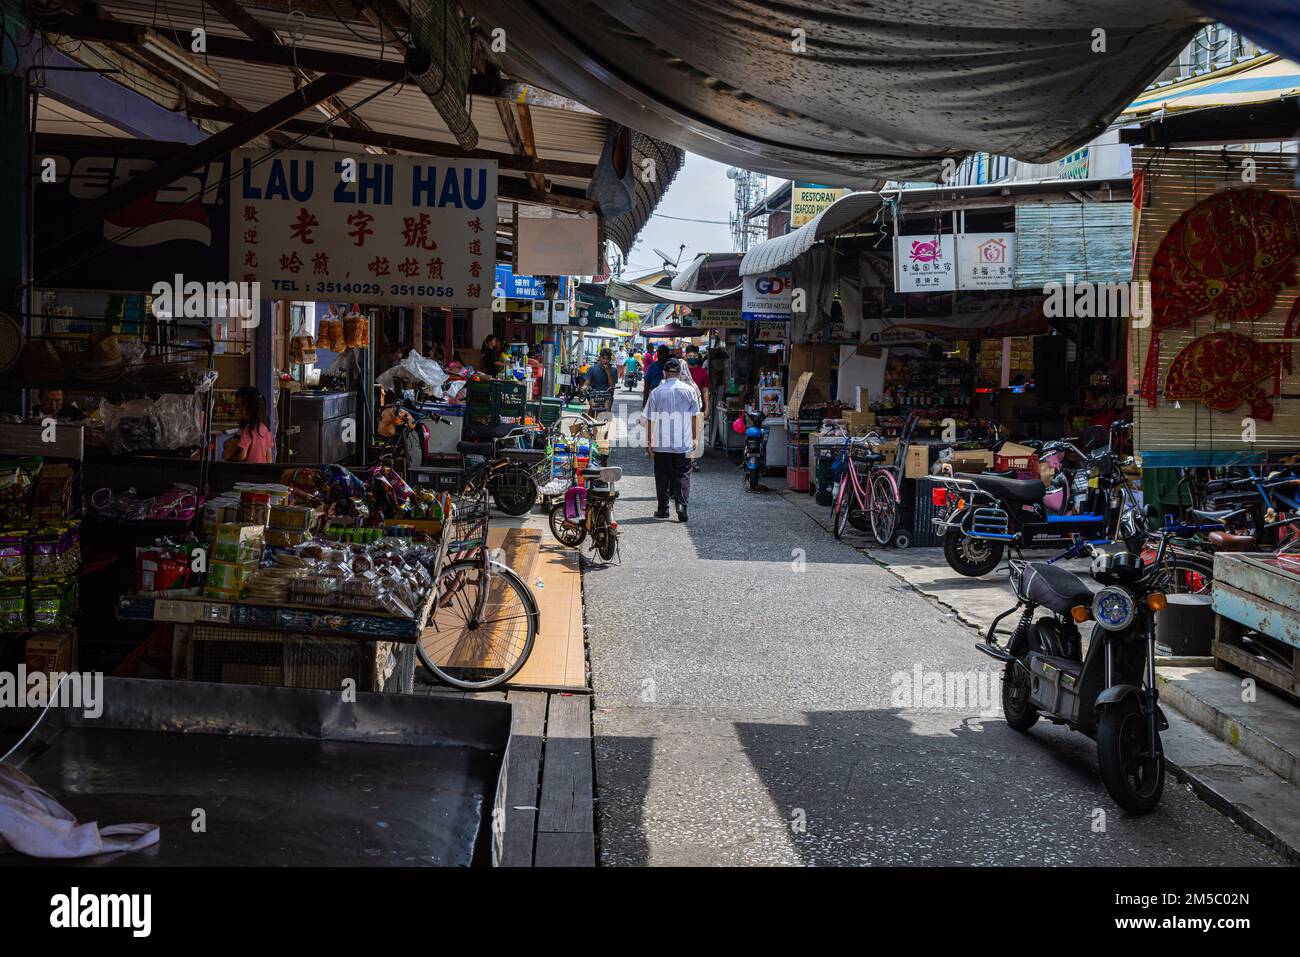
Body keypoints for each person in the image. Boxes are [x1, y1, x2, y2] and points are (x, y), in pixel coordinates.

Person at [643, 358, 700, 522]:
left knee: (662, 475)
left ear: (664, 373)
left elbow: (650, 419)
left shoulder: (657, 391)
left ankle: (663, 509)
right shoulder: (689, 391)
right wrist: (695, 437)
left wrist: (649, 442)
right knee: (683, 474)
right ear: (680, 373)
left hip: (661, 442)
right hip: (682, 441)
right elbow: (695, 416)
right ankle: (681, 506)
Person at [223, 388, 274, 463]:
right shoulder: (266, 429)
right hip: (263, 471)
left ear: (250, 409)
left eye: (241, 406)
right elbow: (269, 458)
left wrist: (232, 458)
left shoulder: (248, 429)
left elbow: (237, 456)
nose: (239, 411)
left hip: (248, 471)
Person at [683, 345, 710, 470]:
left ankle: (692, 459)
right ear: (685, 356)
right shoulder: (681, 371)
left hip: (698, 407)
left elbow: (705, 391)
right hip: (682, 408)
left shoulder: (703, 372)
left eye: (694, 356)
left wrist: (707, 408)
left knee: (696, 435)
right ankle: (683, 458)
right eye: (690, 356)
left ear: (698, 356)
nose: (692, 358)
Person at [585, 348, 616, 413]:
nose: (605, 361)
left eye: (607, 359)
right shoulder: (593, 368)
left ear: (610, 359)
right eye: (603, 358)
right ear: (600, 358)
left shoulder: (613, 370)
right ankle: (589, 421)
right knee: (592, 408)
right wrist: (584, 388)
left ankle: (607, 421)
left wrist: (608, 374)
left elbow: (612, 386)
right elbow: (587, 382)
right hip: (594, 395)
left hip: (607, 396)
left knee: (607, 410)